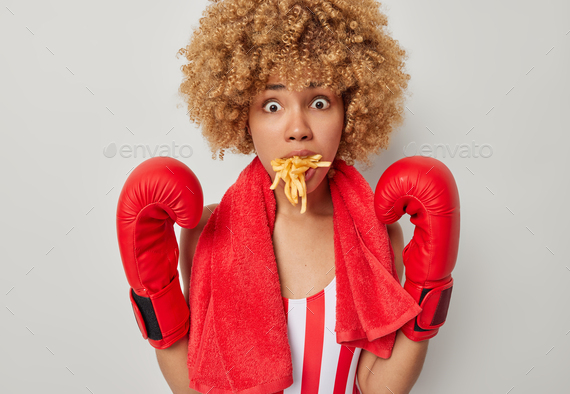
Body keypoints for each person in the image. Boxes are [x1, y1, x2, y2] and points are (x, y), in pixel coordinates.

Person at [142, 1, 456, 393]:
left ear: (350, 112)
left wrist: (432, 286)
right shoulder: (208, 232)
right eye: (272, 105)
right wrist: (152, 293)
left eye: (319, 102)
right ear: (244, 117)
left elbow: (379, 388)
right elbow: (198, 384)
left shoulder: (375, 234)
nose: (298, 129)